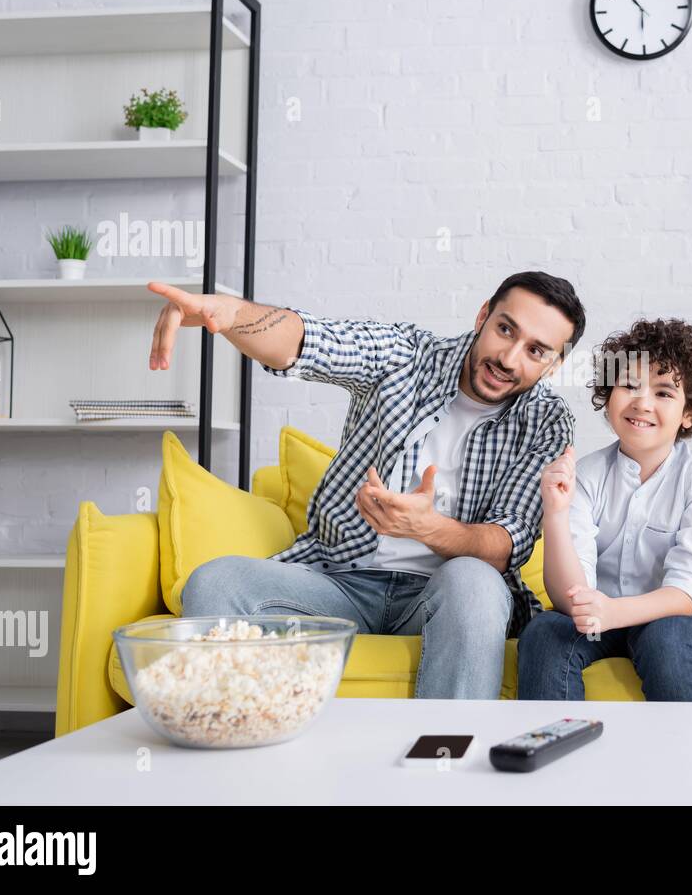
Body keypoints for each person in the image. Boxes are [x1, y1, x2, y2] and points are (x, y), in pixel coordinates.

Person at [145, 271, 583, 699]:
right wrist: (231, 313)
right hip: (339, 582)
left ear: (555, 364)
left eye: (536, 351)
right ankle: (236, 732)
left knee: (476, 580)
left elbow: (507, 544)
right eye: (505, 330)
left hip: (444, 598)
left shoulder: (547, 422)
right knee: (215, 583)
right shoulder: (406, 355)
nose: (509, 359)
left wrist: (428, 528)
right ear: (483, 316)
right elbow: (309, 342)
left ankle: (447, 744)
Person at [517, 318, 692, 702]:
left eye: (664, 392)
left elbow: (687, 592)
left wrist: (613, 613)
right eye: (629, 385)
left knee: (664, 639)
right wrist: (556, 513)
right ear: (608, 393)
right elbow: (570, 596)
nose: (642, 402)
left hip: (674, 614)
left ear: (690, 412)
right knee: (545, 632)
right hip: (601, 614)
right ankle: (558, 737)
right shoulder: (586, 475)